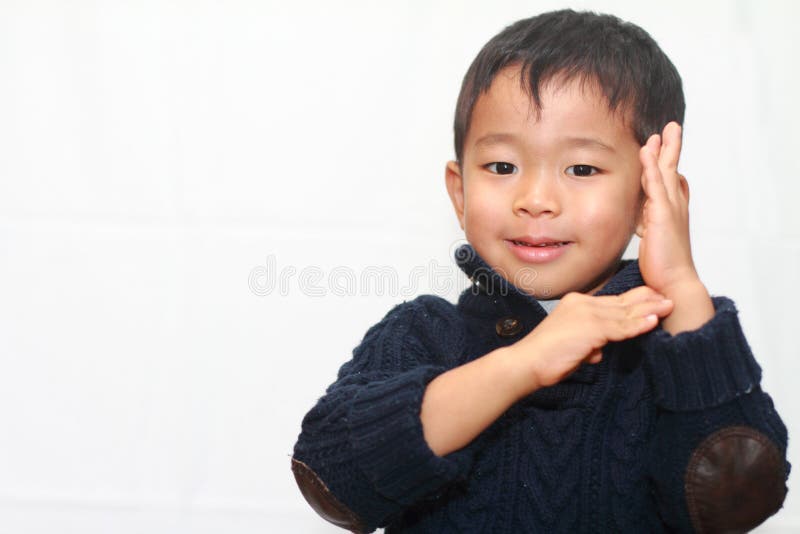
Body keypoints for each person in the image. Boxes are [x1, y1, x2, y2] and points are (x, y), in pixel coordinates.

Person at [291, 9, 789, 533]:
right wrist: (526, 363)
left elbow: (738, 501)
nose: (536, 200)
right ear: (459, 193)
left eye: (582, 168)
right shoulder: (422, 334)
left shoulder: (675, 348)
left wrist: (682, 289)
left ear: (651, 200)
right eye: (502, 167)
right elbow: (331, 476)